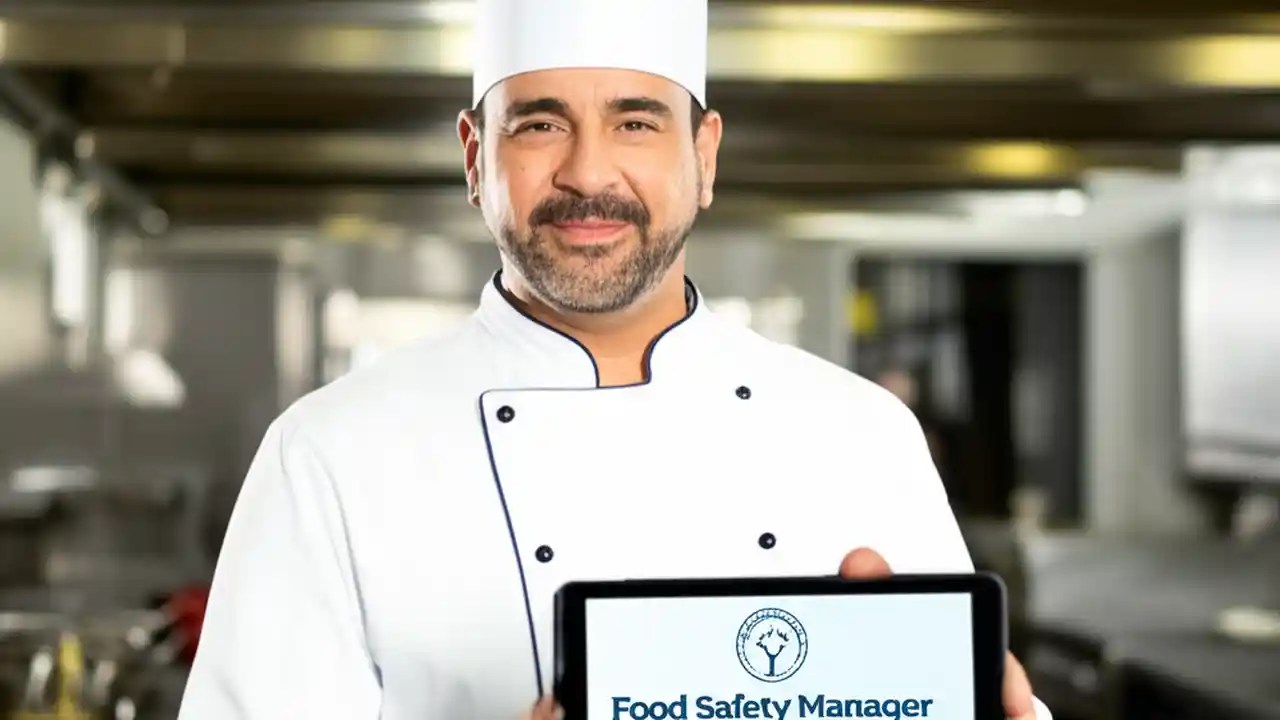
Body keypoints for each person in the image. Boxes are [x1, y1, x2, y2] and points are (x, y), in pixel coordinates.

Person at [177, 1, 1051, 718]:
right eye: (539, 123)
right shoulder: (330, 454)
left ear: (703, 157)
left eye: (635, 121)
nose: (588, 172)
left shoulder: (862, 433)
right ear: (476, 158)